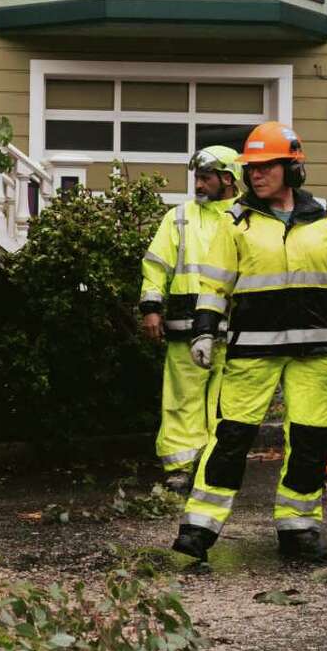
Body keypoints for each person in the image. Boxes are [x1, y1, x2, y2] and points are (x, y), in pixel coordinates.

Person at [172, 122, 327, 566]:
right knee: (231, 437)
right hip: (251, 352)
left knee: (309, 442)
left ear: (292, 168)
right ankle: (198, 529)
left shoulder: (325, 214)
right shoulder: (235, 220)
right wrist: (204, 329)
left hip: (312, 353)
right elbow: (214, 284)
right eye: (252, 168)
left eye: (267, 166)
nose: (256, 174)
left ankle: (298, 528)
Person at [138, 145, 242, 493]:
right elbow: (156, 265)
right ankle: (181, 468)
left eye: (205, 178)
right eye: (197, 178)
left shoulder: (248, 218)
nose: (198, 185)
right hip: (186, 328)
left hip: (234, 330)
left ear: (227, 178)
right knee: (183, 400)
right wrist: (151, 308)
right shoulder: (179, 218)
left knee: (225, 404)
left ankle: (214, 466)